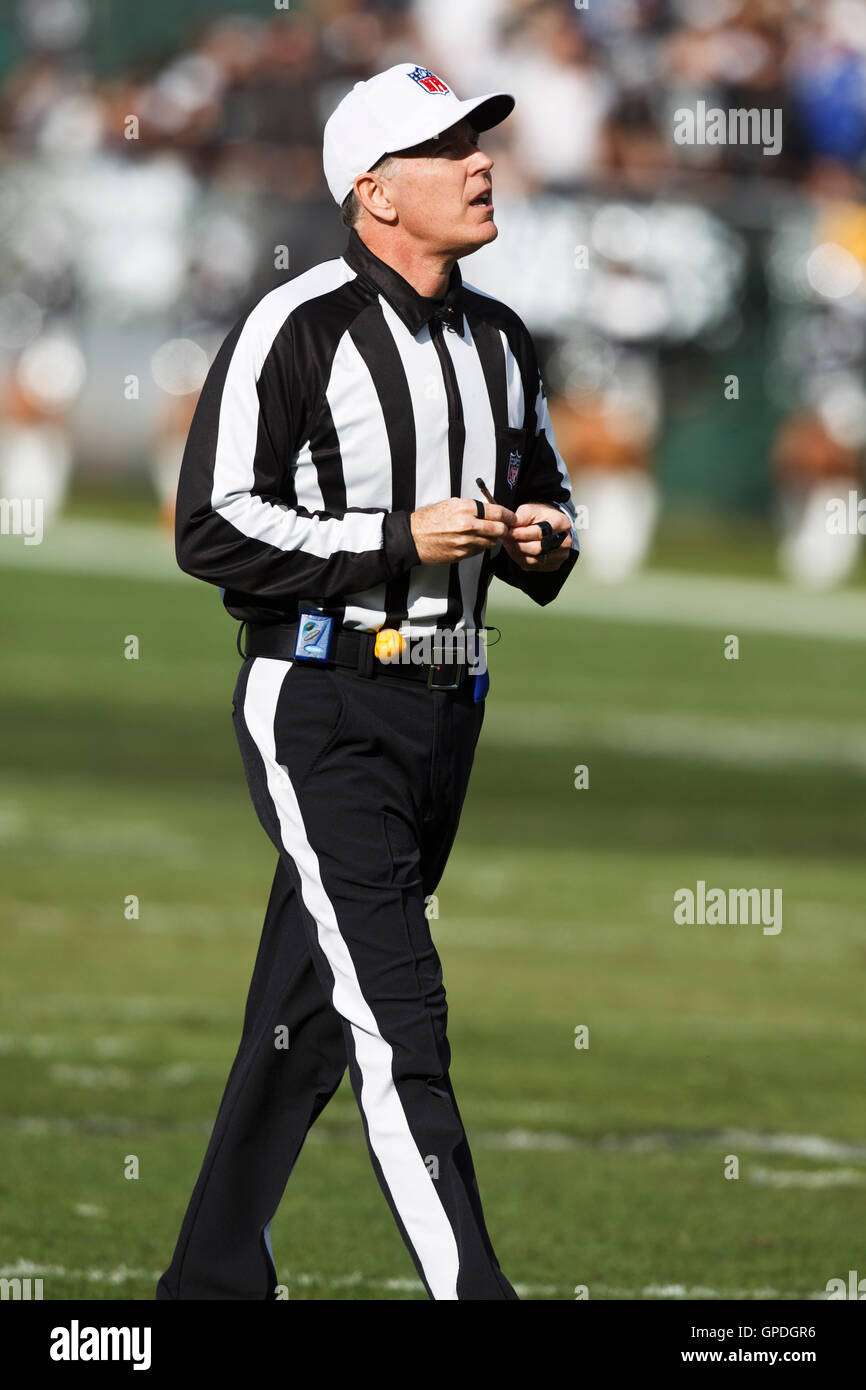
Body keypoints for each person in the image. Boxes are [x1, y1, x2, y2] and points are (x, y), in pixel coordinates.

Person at [156, 61, 578, 1303]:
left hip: (447, 707)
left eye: (477, 139)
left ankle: (208, 1281)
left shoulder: (501, 338)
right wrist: (395, 539)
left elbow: (547, 496)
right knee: (399, 1015)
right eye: (446, 147)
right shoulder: (295, 324)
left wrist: (542, 540)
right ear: (373, 191)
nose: (479, 162)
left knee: (305, 1020)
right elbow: (211, 526)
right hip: (323, 699)